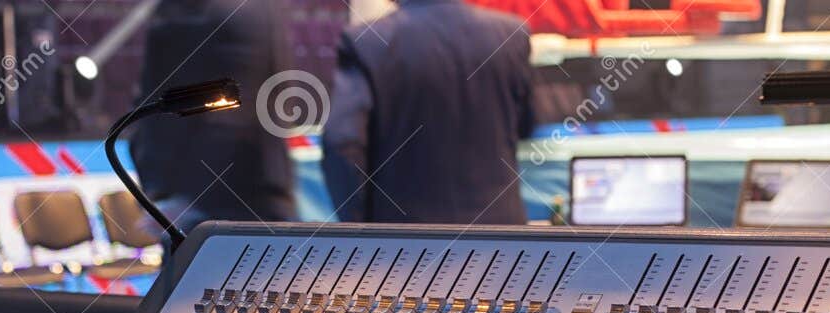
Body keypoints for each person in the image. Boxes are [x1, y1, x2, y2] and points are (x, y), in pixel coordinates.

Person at [323, 0, 535, 225]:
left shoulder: (367, 42)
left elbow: (342, 142)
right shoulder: (510, 34)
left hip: (404, 243)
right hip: (501, 239)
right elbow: (526, 124)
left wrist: (359, 224)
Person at [131, 0, 298, 235]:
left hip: (208, 208)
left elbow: (166, 104)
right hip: (256, 197)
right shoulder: (261, 7)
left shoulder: (197, 9)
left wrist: (177, 196)